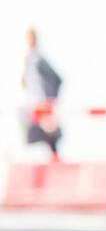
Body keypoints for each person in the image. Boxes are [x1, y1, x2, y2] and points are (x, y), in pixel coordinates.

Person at [21, 28, 63, 161]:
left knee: (48, 130)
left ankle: (54, 157)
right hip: (32, 103)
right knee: (31, 130)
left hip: (42, 102)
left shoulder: (39, 59)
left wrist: (51, 98)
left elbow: (57, 79)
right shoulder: (27, 58)